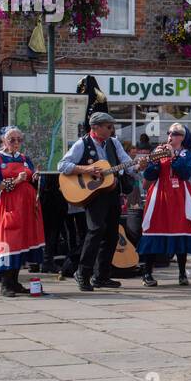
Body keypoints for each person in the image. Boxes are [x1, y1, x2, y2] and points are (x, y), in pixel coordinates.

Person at [57, 112, 144, 292]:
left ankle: (101, 276)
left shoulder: (114, 143)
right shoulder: (82, 144)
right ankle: (82, 272)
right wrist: (86, 169)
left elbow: (127, 165)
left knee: (112, 233)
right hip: (94, 195)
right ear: (95, 127)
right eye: (108, 126)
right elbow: (62, 165)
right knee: (96, 230)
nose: (112, 129)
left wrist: (138, 166)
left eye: (112, 126)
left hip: (112, 192)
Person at [139, 123, 191, 286]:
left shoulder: (187, 154)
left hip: (180, 196)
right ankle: (147, 273)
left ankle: (182, 273)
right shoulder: (158, 151)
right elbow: (150, 175)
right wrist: (151, 163)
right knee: (153, 230)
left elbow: (185, 173)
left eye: (175, 133)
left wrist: (173, 156)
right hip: (160, 195)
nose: (171, 136)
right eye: (169, 133)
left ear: (183, 137)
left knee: (181, 231)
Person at [0, 126, 46, 296]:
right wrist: (15, 181)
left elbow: (33, 179)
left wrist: (36, 177)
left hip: (28, 206)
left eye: (19, 139)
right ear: (3, 140)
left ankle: (15, 282)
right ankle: (5, 284)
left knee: (23, 241)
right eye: (12, 139)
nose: (16, 143)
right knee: (9, 240)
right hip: (10, 204)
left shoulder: (25, 158)